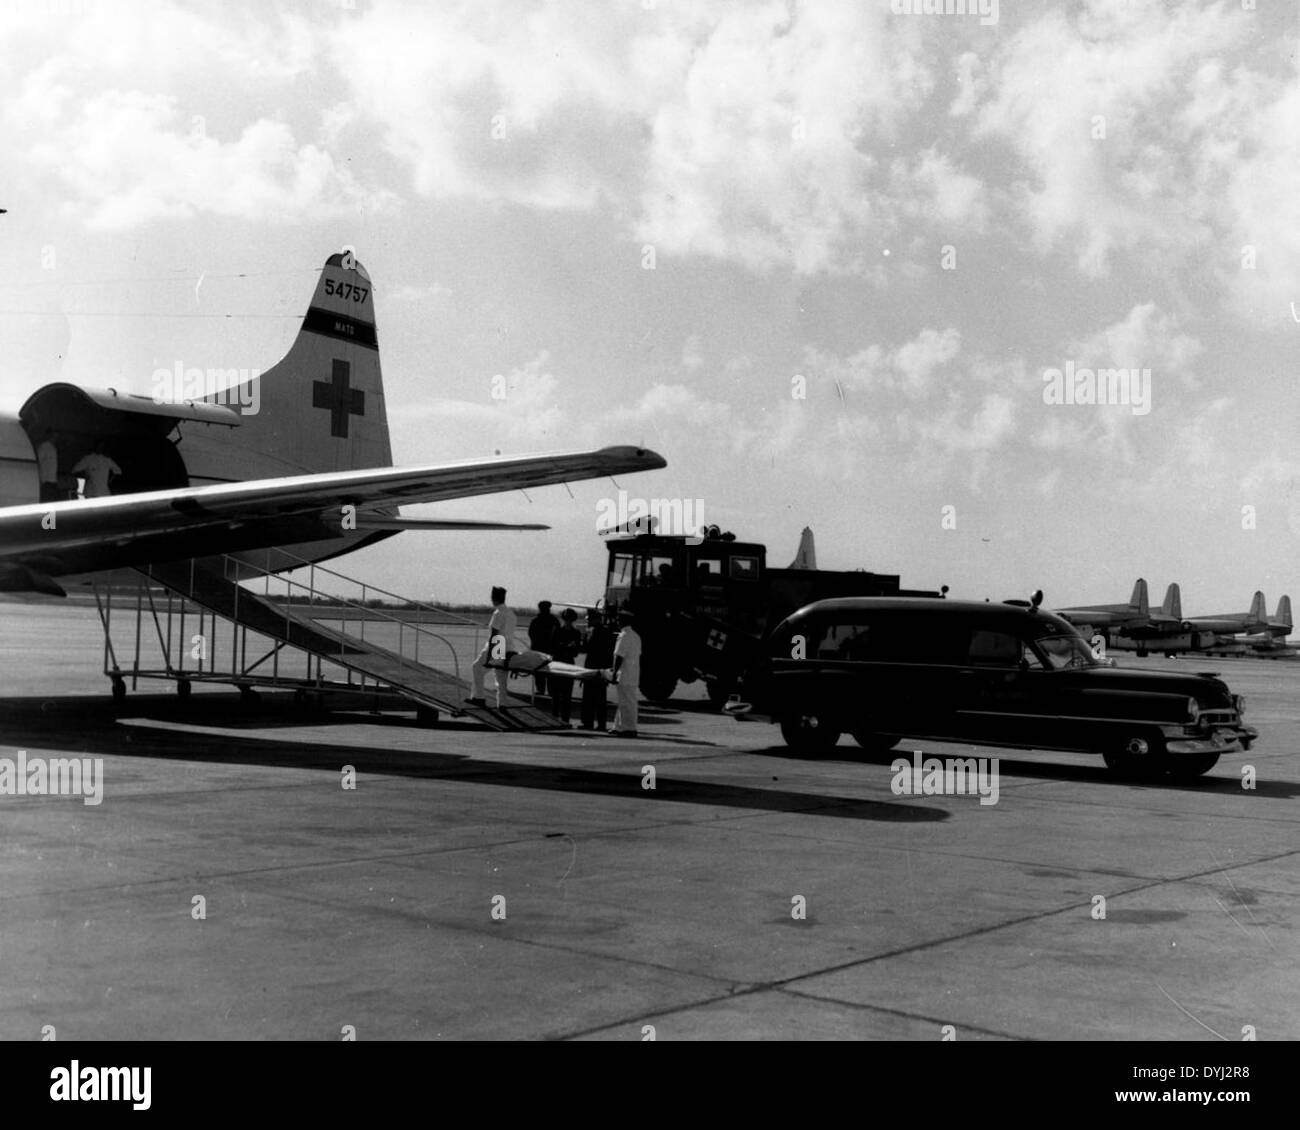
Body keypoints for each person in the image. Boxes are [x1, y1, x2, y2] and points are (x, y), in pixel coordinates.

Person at [467, 586, 517, 709]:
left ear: (494, 598)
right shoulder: (511, 613)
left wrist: (490, 656)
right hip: (509, 646)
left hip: (498, 645)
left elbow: (495, 633)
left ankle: (479, 697)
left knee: (477, 667)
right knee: (501, 677)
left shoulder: (498, 613)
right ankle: (503, 703)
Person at [580, 609, 615, 731]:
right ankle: (600, 724)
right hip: (600, 669)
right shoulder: (605, 631)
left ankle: (588, 722)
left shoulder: (594, 632)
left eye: (589, 619)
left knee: (590, 697)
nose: (588, 621)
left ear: (595, 619)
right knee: (599, 698)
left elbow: (586, 648)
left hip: (594, 668)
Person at [548, 608, 583, 723]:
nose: (567, 621)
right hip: (558, 662)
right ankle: (555, 718)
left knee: (566, 695)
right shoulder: (557, 631)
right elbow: (552, 648)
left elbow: (576, 652)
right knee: (556, 694)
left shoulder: (576, 633)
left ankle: (565, 719)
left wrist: (565, 647)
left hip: (567, 663)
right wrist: (566, 646)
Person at [610, 610, 642, 736]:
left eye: (619, 619)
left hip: (624, 673)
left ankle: (629, 728)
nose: (617, 622)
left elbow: (619, 656)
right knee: (625, 701)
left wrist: (614, 672)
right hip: (633, 673)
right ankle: (619, 727)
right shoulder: (636, 636)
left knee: (626, 703)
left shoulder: (624, 635)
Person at [528, 600, 559, 697]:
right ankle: (550, 691)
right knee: (549, 671)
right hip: (549, 650)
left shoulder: (536, 620)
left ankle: (541, 690)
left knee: (540, 671)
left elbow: (531, 634)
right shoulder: (554, 620)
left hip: (540, 649)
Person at [36, 429, 61, 503]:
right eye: (54, 436)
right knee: (46, 502)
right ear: (50, 436)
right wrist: (41, 480)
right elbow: (39, 462)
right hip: (45, 481)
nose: (56, 438)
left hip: (53, 481)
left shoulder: (53, 448)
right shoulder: (43, 447)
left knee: (52, 504)